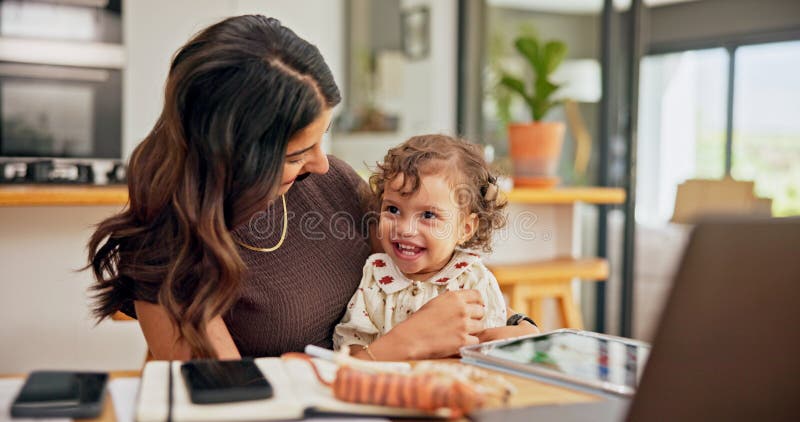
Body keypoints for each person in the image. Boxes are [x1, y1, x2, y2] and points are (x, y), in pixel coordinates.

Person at [86, 15, 534, 362]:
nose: (321, 163)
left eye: (322, 140)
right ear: (233, 156)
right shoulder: (168, 253)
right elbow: (225, 402)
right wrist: (393, 351)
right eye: (296, 154)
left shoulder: (330, 184)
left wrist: (519, 327)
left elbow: (430, 272)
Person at [333, 135, 537, 359]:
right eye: (392, 209)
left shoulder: (474, 279)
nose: (405, 229)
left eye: (428, 215)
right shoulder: (375, 274)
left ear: (465, 229)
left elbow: (490, 346)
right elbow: (351, 346)